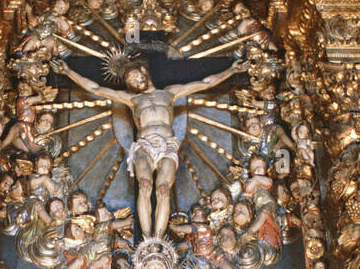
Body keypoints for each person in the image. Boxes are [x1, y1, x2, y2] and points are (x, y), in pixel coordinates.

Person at [62, 59, 239, 238]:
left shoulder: (169, 93)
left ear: (142, 71)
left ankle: (158, 238)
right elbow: (95, 89)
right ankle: (147, 237)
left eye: (135, 77)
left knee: (163, 189)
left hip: (167, 144)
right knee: (145, 185)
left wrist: (231, 70)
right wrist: (68, 71)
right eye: (130, 81)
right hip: (144, 144)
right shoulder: (132, 99)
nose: (134, 82)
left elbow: (205, 83)